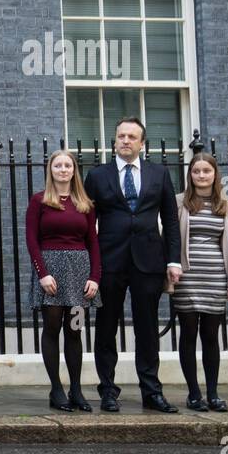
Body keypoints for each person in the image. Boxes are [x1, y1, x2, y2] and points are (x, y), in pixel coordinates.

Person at [83, 117, 182, 413]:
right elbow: (88, 224)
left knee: (147, 329)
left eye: (132, 137)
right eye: (121, 136)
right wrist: (89, 265)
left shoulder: (159, 173)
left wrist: (174, 259)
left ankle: (151, 392)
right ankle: (108, 391)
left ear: (142, 143)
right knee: (106, 327)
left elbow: (172, 221)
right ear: (115, 141)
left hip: (149, 260)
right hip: (110, 260)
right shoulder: (97, 176)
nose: (125, 141)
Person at [25, 149, 102, 412]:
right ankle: (56, 389)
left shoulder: (85, 204)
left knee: (75, 331)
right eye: (58, 165)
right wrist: (42, 273)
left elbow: (93, 242)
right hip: (51, 273)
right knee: (52, 328)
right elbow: (32, 241)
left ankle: (77, 390)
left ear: (73, 170)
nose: (63, 169)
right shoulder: (39, 202)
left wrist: (95, 277)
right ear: (51, 170)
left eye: (67, 165)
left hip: (79, 274)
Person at [172, 152, 228, 412]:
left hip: (215, 277)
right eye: (196, 171)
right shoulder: (180, 202)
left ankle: (213, 393)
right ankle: (194, 394)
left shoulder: (226, 206)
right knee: (189, 334)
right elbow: (170, 239)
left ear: (215, 175)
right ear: (190, 175)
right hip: (186, 278)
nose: (201, 175)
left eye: (206, 171)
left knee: (211, 336)